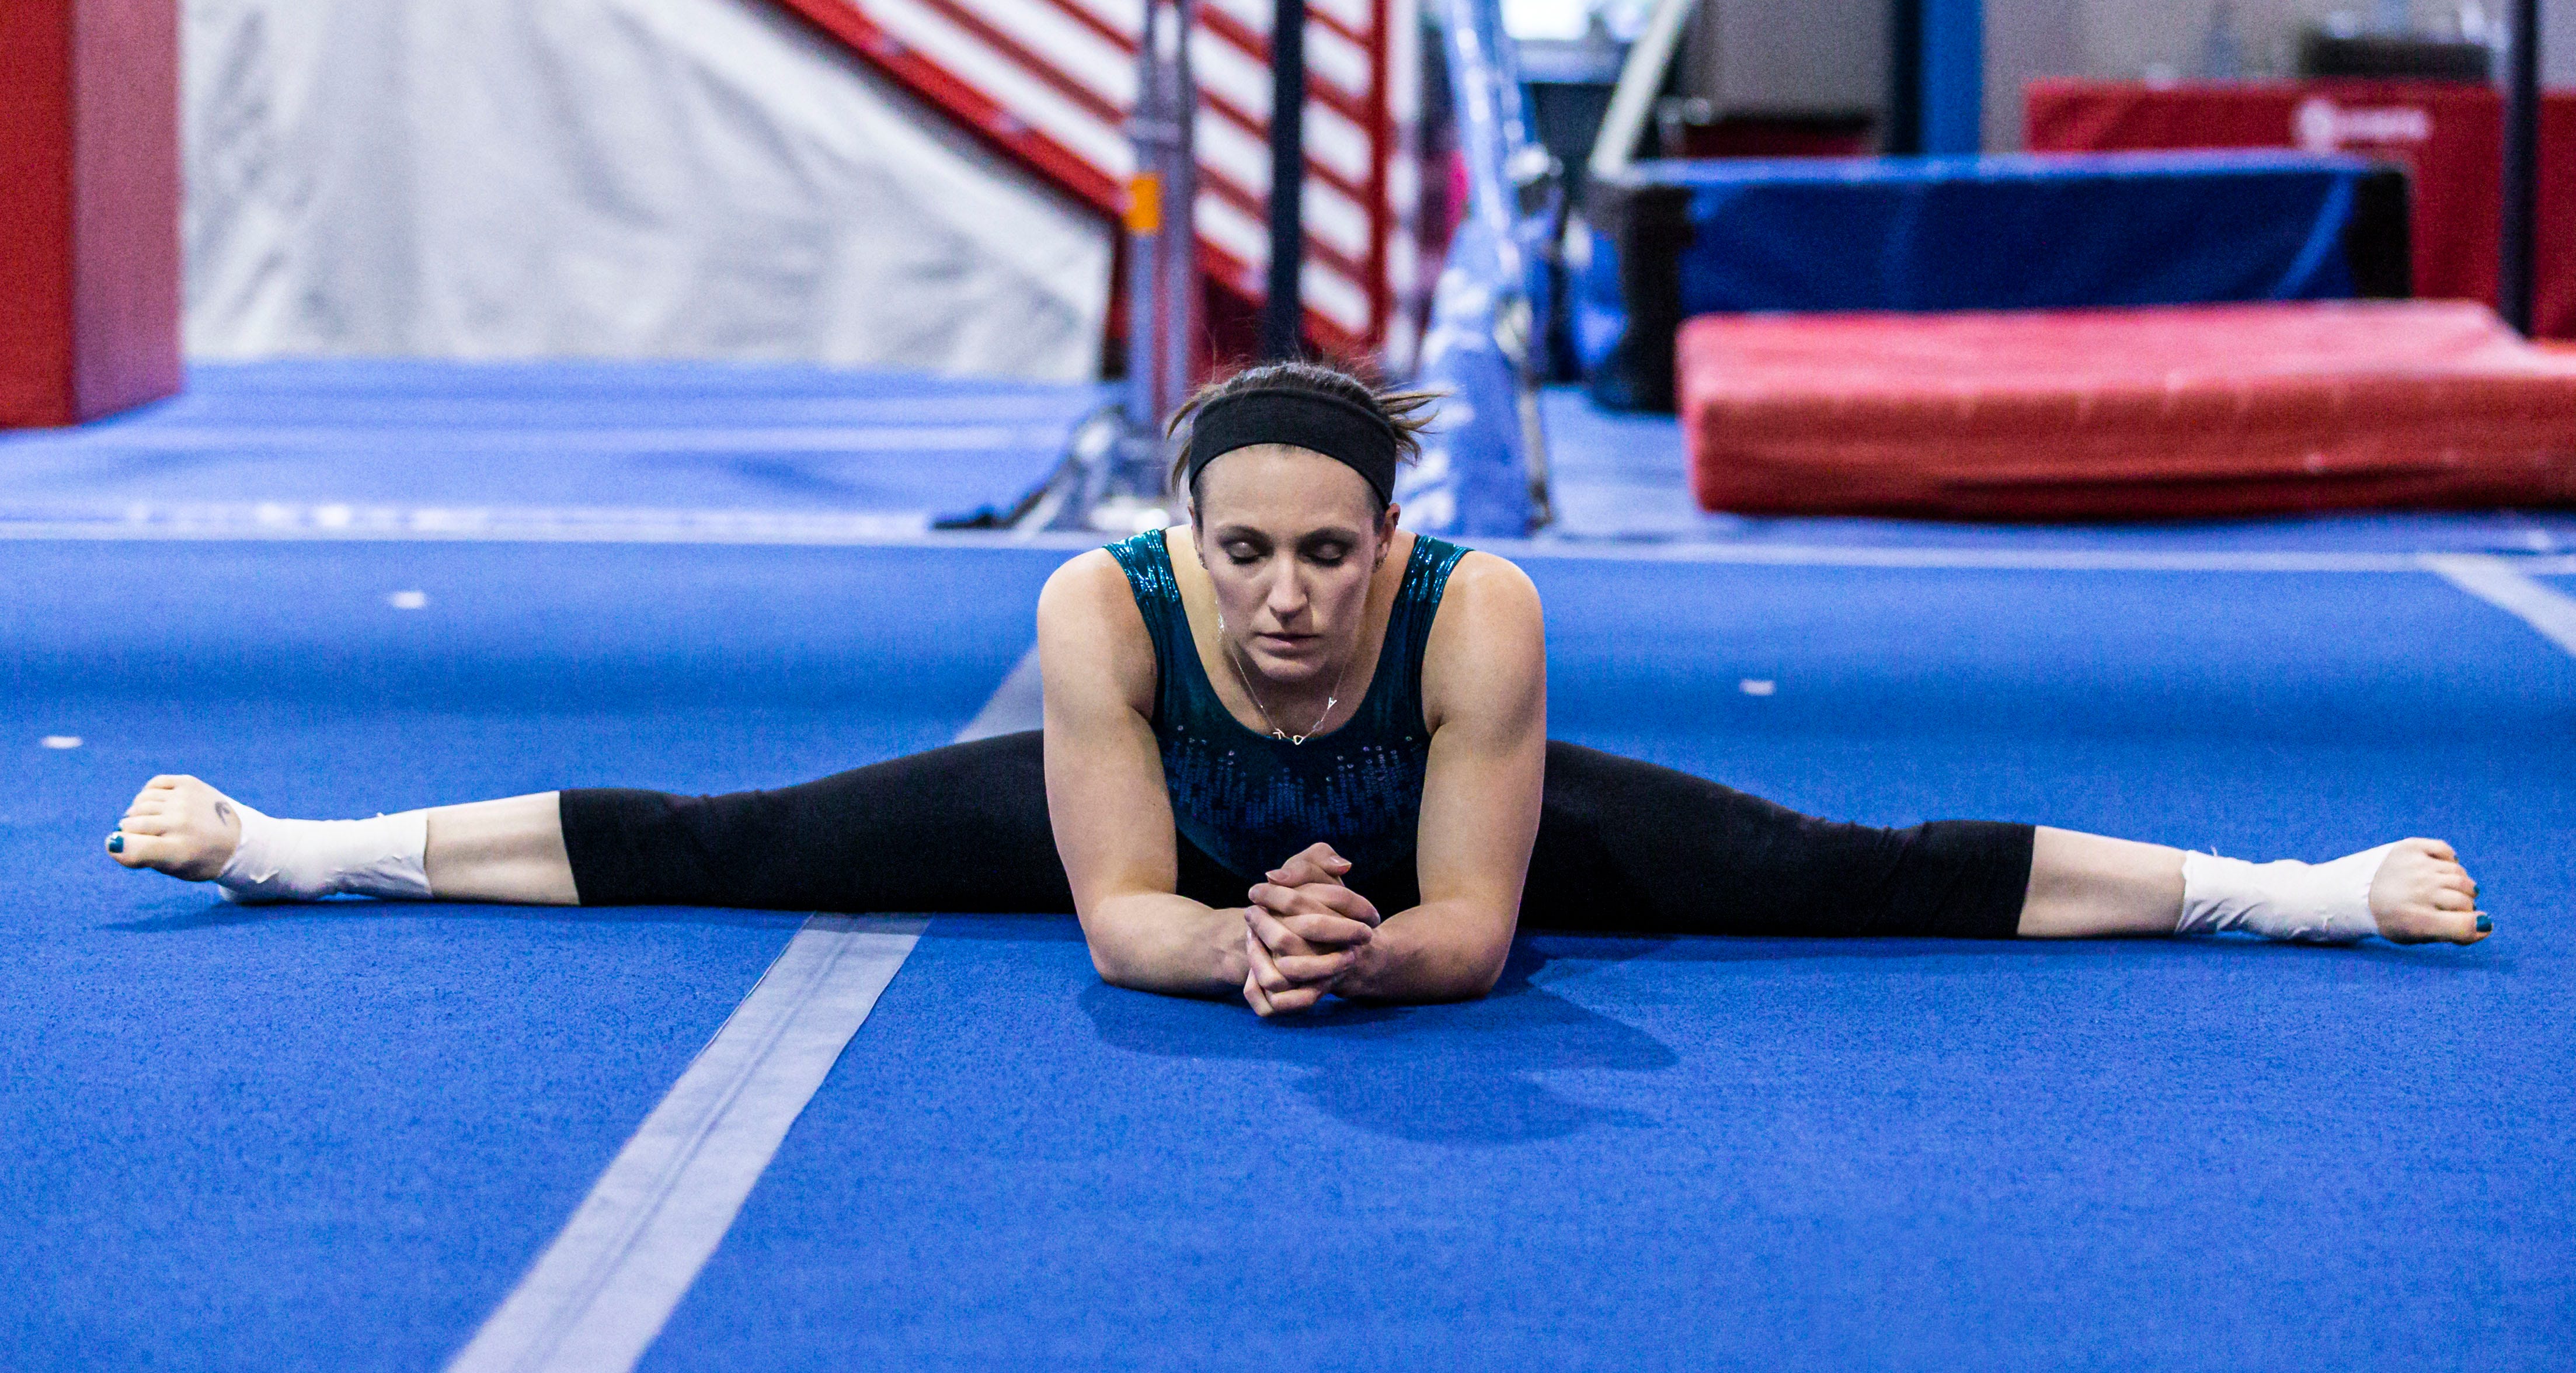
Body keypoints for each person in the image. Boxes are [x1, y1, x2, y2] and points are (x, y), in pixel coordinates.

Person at [104, 362, 2491, 1016]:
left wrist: (1377, 962)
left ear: (1388, 547)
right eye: (1233, 548)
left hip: (1415, 843)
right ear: (1181, 539)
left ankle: (2275, 892)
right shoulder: (1097, 621)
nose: (1272, 596)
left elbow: (1476, 918)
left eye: (1316, 553)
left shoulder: (1481, 623)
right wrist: (1233, 943)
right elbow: (1119, 901)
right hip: (1180, 843)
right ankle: (306, 849)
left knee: (1828, 877)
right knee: (746, 841)